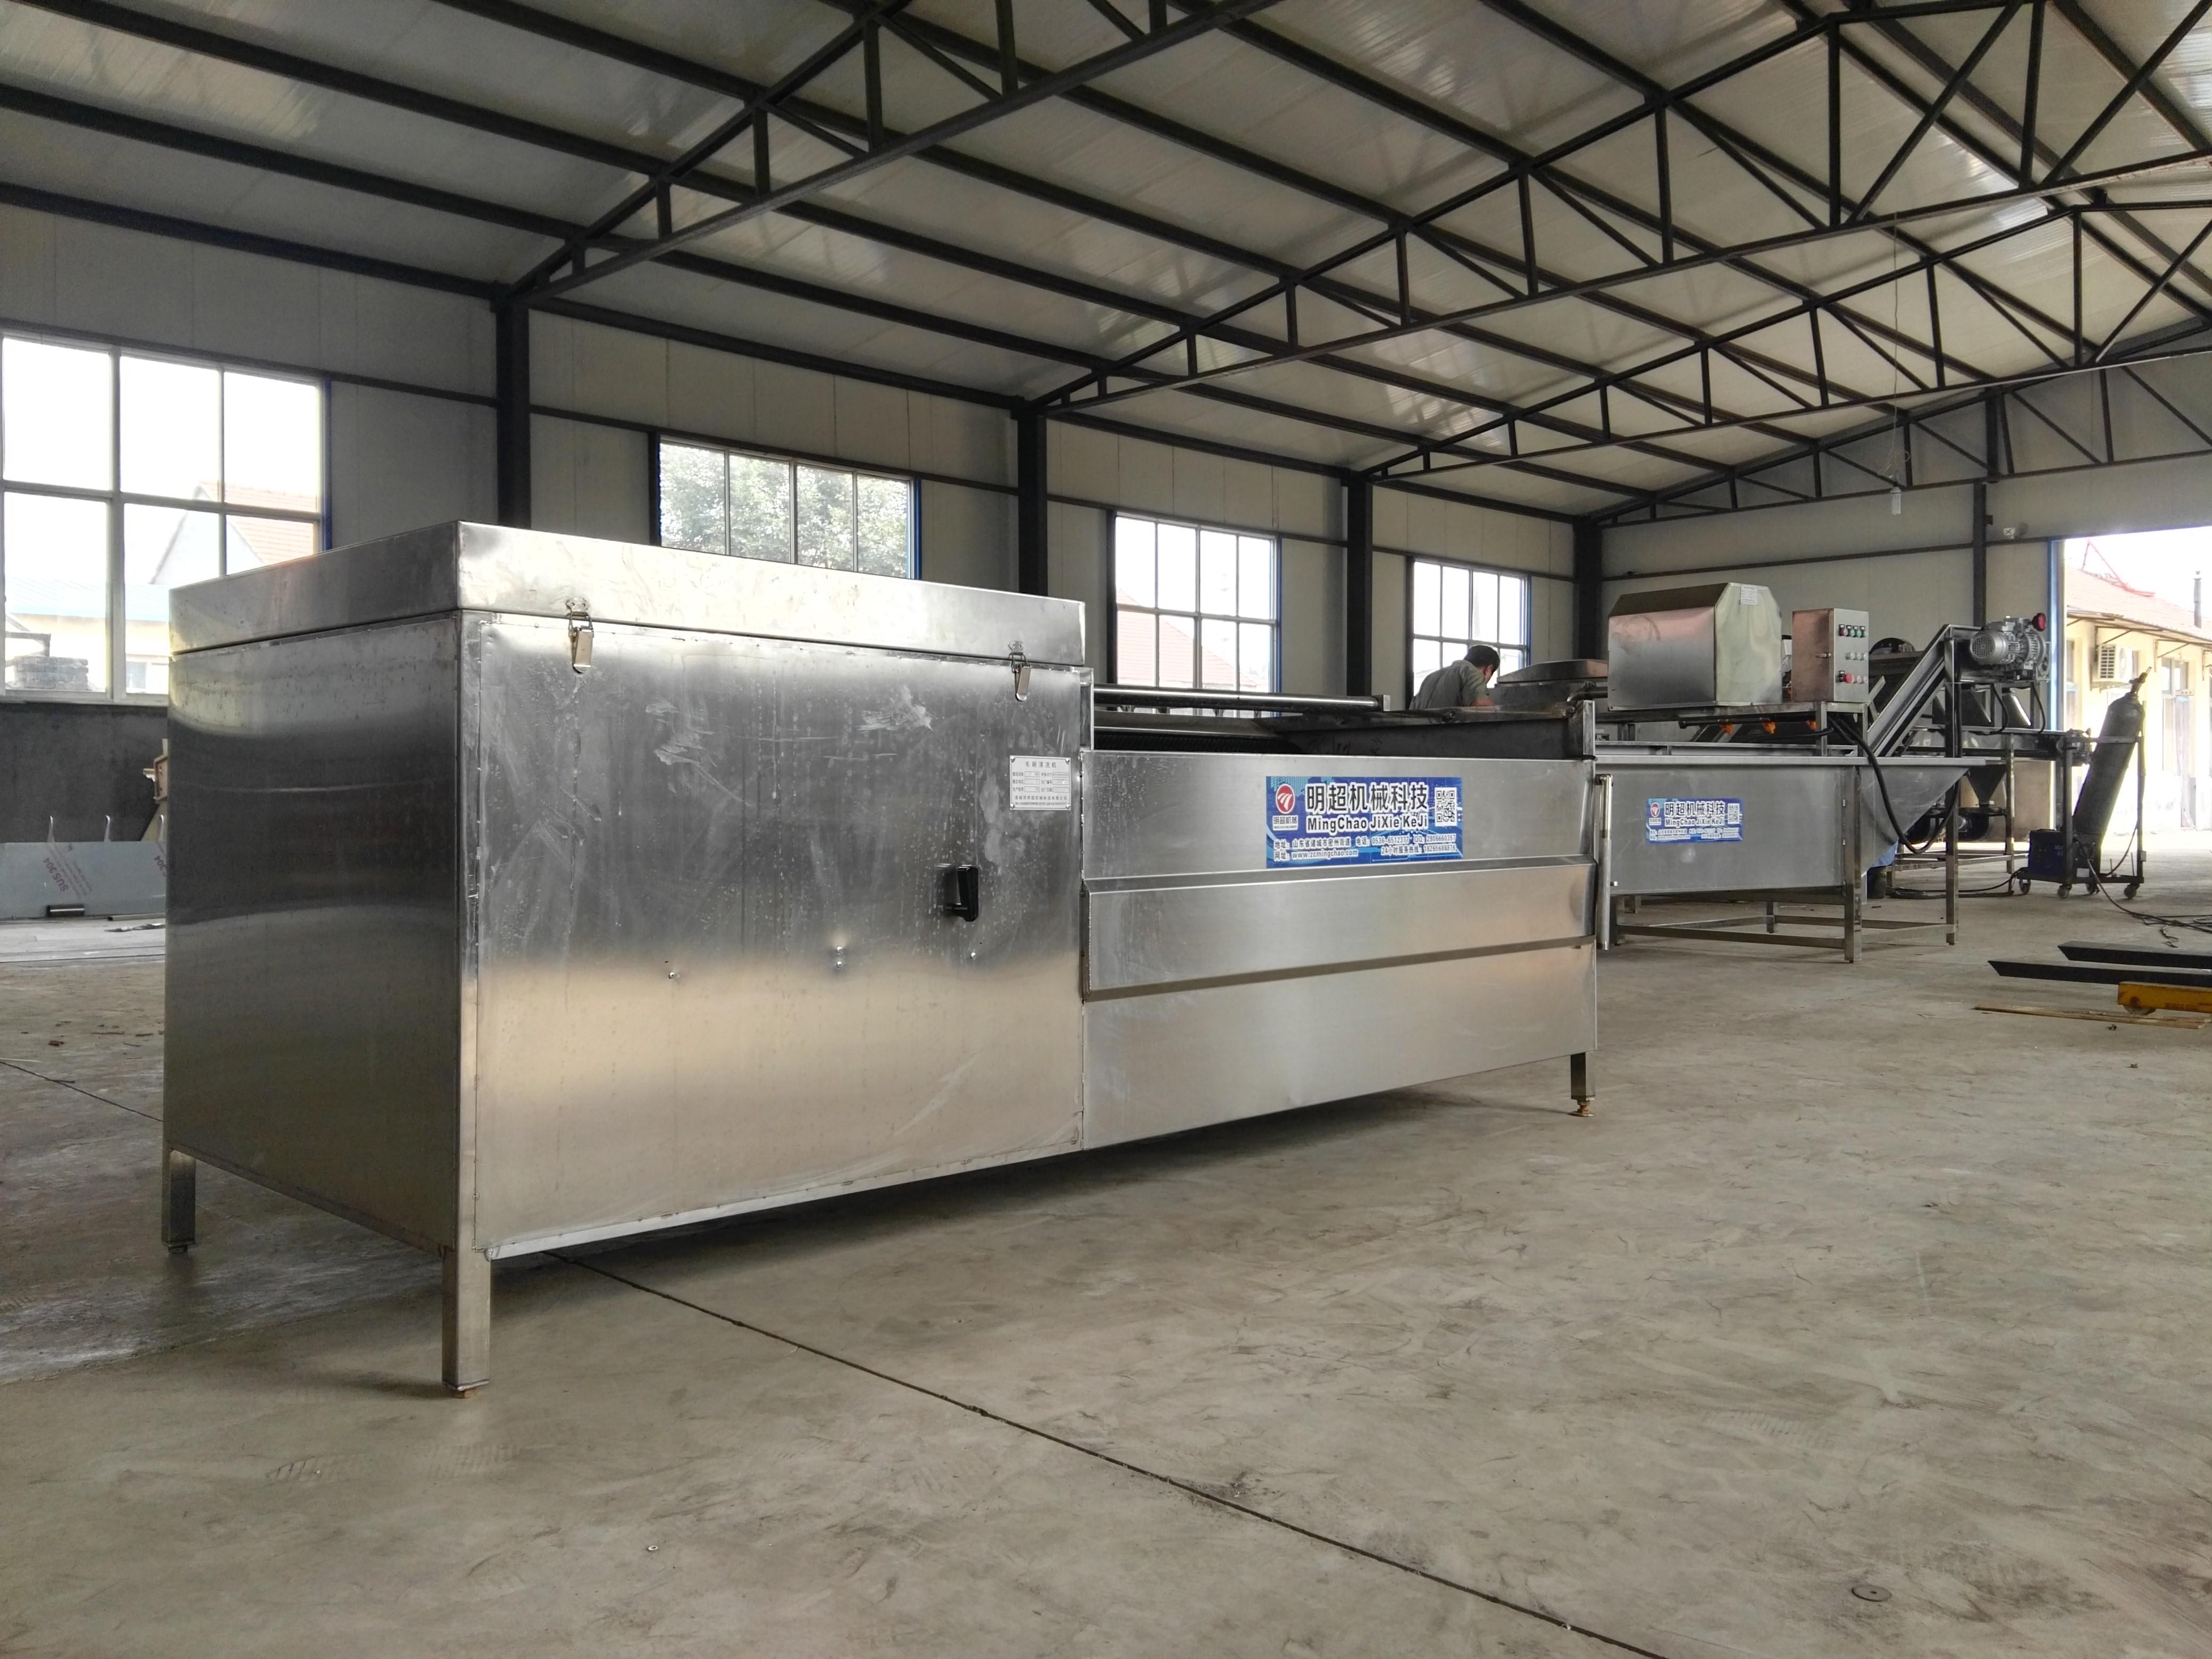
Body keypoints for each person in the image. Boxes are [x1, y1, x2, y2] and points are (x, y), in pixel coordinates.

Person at [1410, 643, 1501, 710]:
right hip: (1449, 731)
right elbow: (1481, 705)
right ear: (1488, 669)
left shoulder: (1431, 677)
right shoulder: (1472, 673)